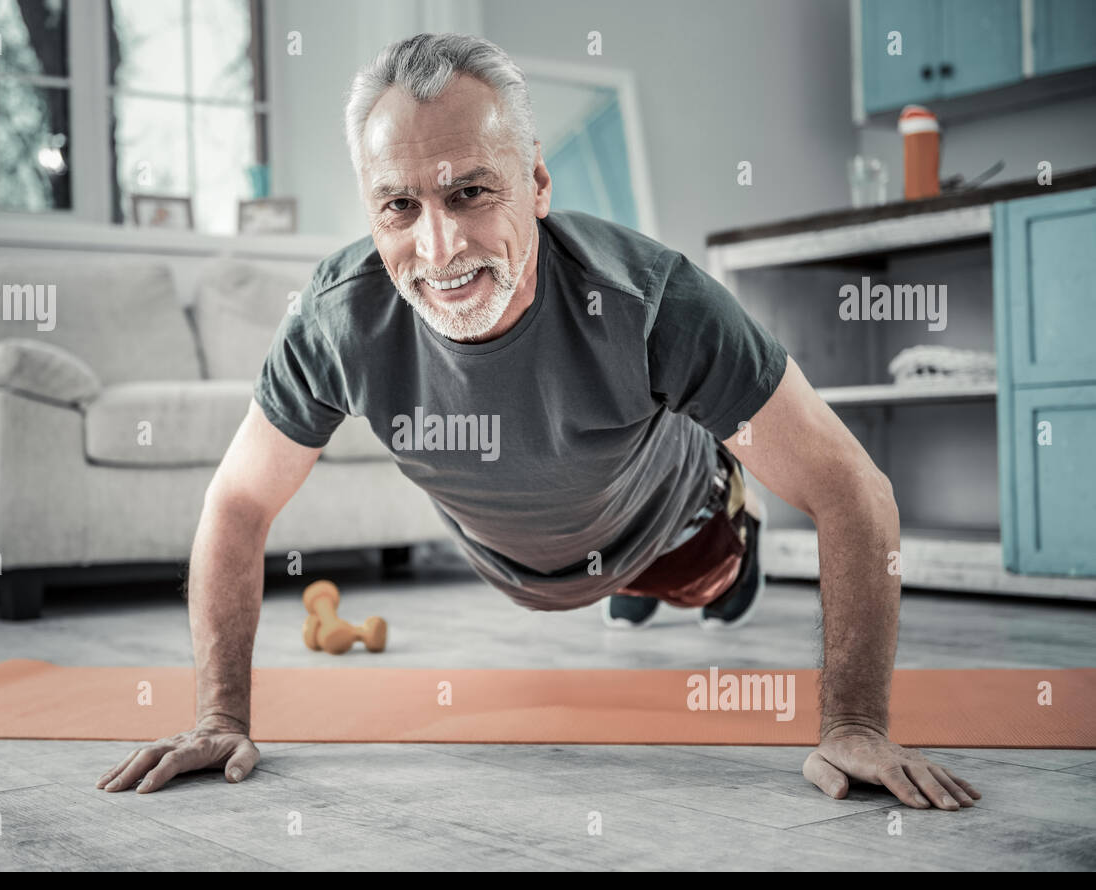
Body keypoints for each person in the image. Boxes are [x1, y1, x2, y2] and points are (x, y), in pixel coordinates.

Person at [97, 33, 980, 812]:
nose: (438, 249)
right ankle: (623, 581)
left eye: (471, 193)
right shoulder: (335, 320)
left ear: (539, 182)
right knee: (601, 567)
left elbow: (851, 486)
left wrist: (856, 722)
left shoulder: (654, 301)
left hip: (678, 527)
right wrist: (220, 716)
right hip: (518, 559)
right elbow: (237, 503)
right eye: (399, 207)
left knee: (707, 575)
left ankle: (710, 542)